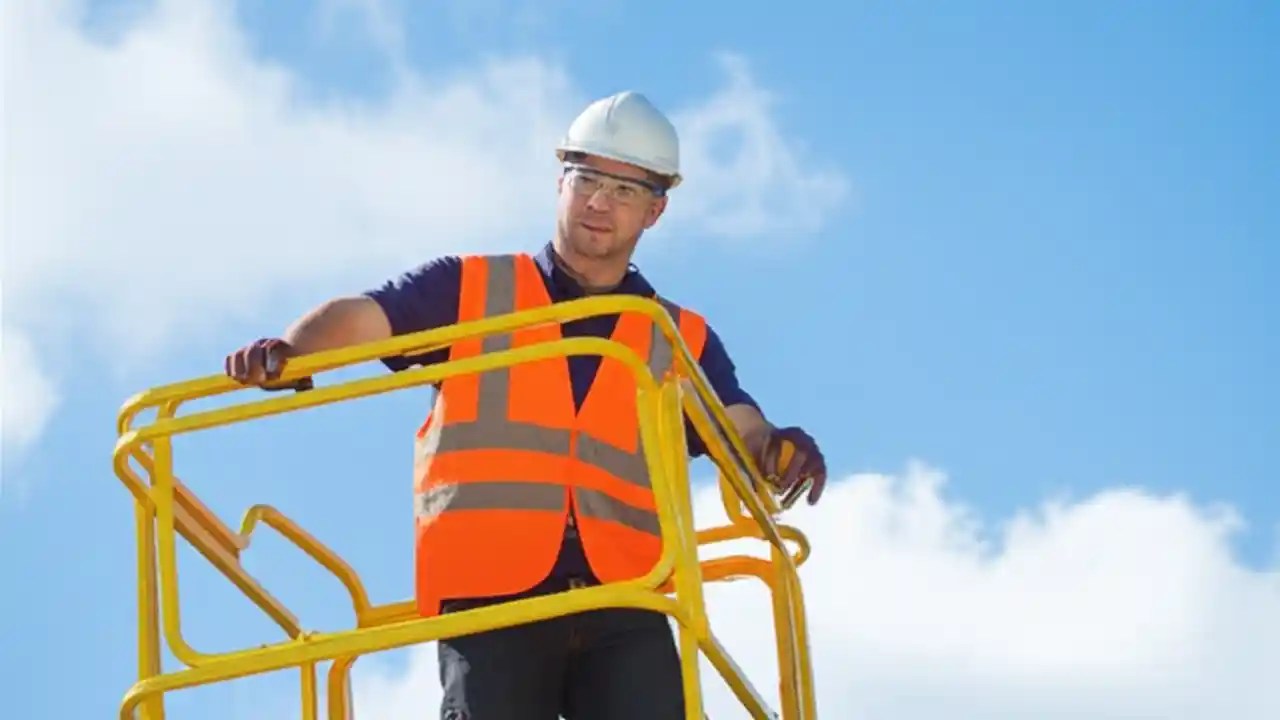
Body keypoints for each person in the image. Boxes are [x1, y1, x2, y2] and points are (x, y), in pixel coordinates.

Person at [224, 90, 827, 720]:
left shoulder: (677, 335)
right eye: (586, 178)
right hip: (493, 598)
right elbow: (362, 318)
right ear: (560, 181)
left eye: (624, 190)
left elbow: (739, 426)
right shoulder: (470, 289)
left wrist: (778, 448)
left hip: (626, 599)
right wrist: (290, 351)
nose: (599, 202)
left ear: (655, 210)